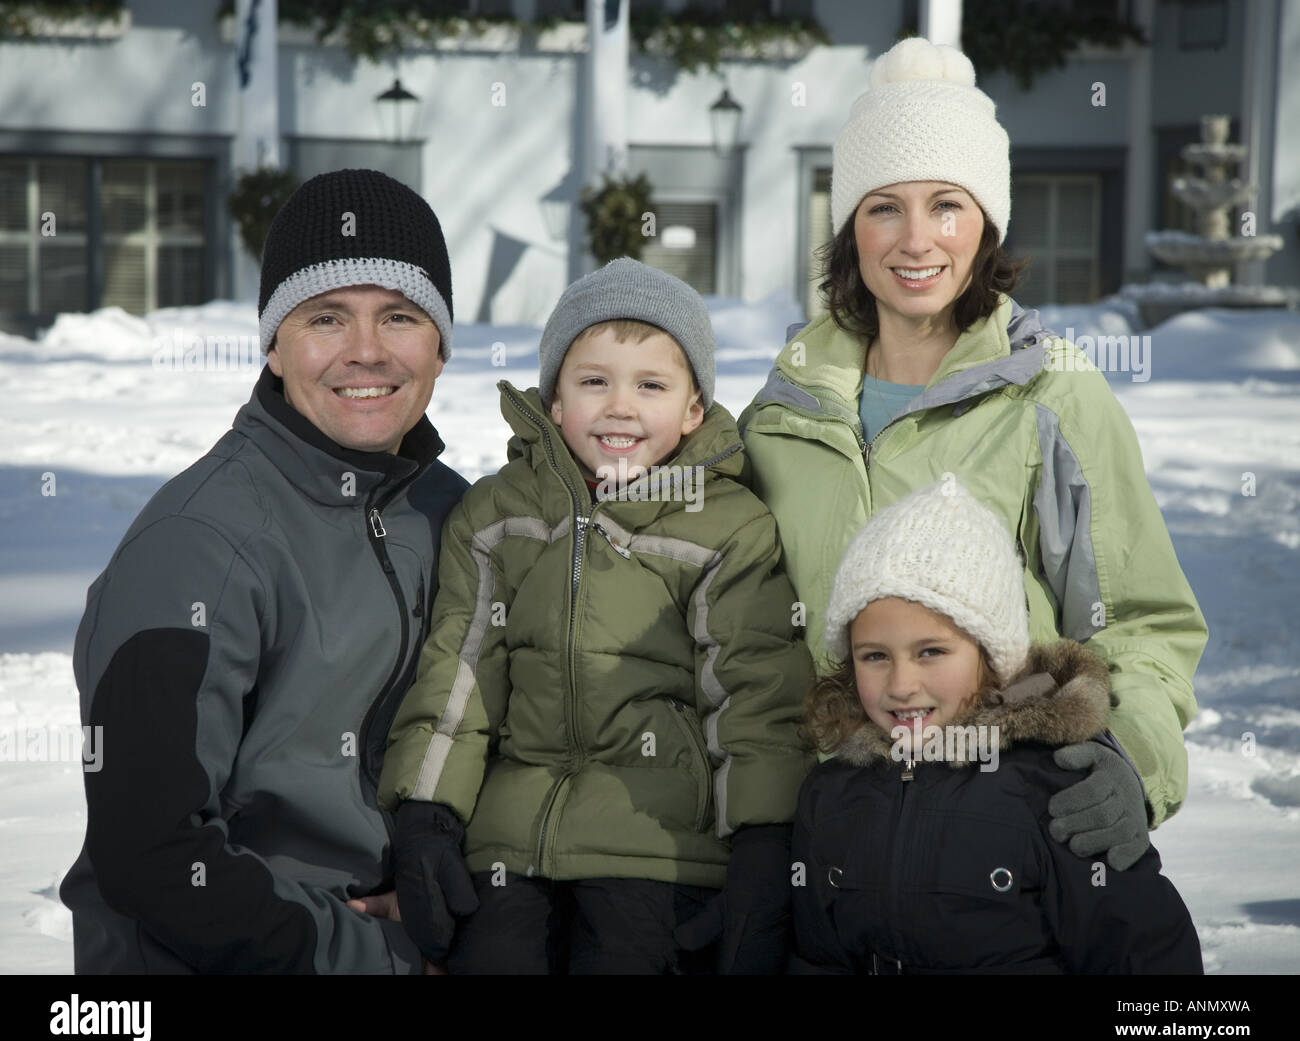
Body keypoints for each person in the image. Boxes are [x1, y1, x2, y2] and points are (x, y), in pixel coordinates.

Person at [738, 37, 1208, 861]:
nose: (917, 240)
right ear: (851, 225)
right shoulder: (786, 409)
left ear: (986, 221)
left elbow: (1141, 624)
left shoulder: (1054, 394)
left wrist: (1132, 757)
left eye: (946, 204)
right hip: (818, 830)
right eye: (885, 206)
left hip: (996, 821)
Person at [59, 168, 468, 973]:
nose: (366, 351)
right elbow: (154, 853)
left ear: (441, 345)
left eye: (399, 315)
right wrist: (383, 956)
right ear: (274, 346)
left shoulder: (460, 517)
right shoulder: (197, 545)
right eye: (325, 317)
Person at [379, 258, 814, 974]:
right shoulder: (497, 515)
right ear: (553, 402)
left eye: (651, 385)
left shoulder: (726, 526)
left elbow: (752, 693)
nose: (620, 406)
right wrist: (427, 816)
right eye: (593, 381)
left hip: (661, 844)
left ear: (693, 410)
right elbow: (459, 673)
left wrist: (764, 844)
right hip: (511, 840)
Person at [791, 480, 1203, 974]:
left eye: (931, 652)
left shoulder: (1057, 787)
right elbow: (816, 955)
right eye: (875, 656)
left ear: (992, 657)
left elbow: (1144, 952)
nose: (901, 684)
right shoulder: (832, 793)